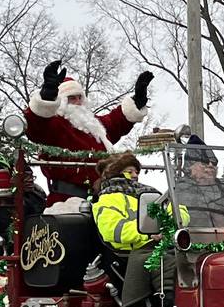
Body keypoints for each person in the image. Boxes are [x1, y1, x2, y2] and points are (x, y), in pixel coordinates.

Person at [24, 60, 155, 205]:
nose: (78, 102)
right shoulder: (55, 125)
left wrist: (137, 100)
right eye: (72, 98)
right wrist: (47, 97)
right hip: (67, 202)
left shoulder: (94, 125)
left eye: (80, 97)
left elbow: (115, 122)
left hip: (103, 197)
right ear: (61, 102)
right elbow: (37, 126)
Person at [92, 152, 187, 307]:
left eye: (137, 171)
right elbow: (113, 230)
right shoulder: (108, 199)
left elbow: (181, 213)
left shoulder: (150, 194)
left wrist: (167, 227)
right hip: (129, 252)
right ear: (116, 172)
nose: (135, 175)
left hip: (165, 243)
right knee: (163, 260)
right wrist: (148, 235)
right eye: (130, 171)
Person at [171, 136, 224, 228]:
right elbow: (197, 230)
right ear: (190, 167)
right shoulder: (183, 189)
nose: (211, 165)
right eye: (204, 162)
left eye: (214, 162)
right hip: (202, 241)